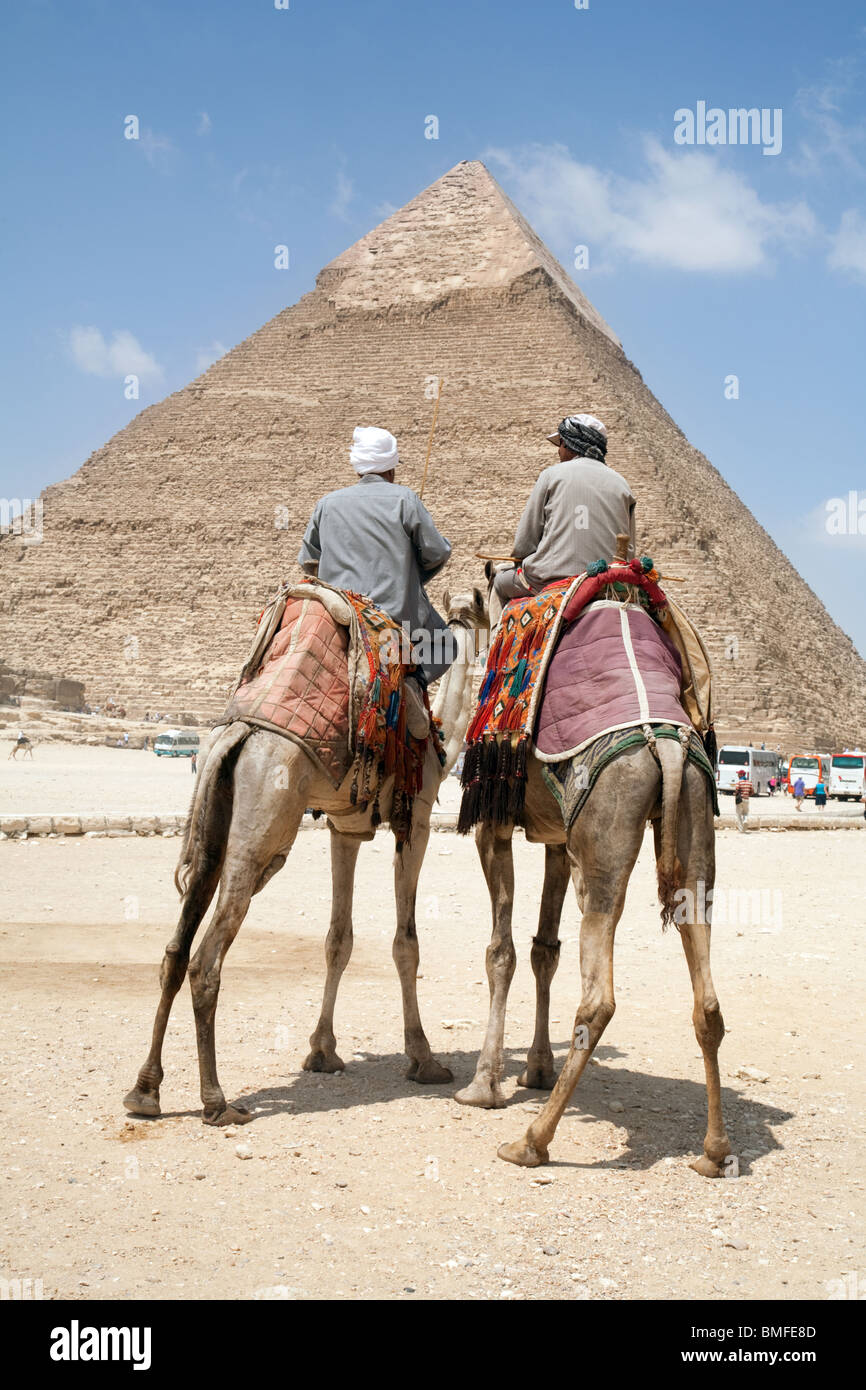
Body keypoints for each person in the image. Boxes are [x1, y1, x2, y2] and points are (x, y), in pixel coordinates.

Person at [298, 425, 456, 686]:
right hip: (394, 617)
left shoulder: (327, 504)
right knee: (446, 644)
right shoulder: (405, 499)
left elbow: (308, 561)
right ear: (391, 469)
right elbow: (436, 553)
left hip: (338, 614)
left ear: (358, 469)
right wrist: (412, 573)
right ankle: (411, 687)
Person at [493, 413, 636, 601]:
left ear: (569, 444)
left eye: (560, 444)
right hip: (610, 583)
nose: (559, 451)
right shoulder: (622, 484)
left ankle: (497, 631)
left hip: (552, 579)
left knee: (499, 583)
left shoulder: (552, 475)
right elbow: (629, 550)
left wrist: (523, 558)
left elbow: (525, 542)